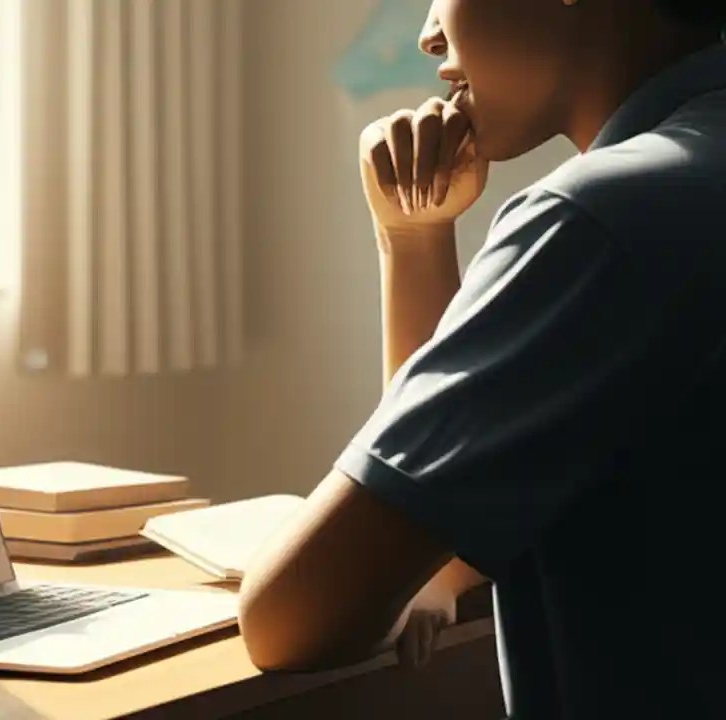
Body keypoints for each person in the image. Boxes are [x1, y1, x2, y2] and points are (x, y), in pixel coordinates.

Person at [237, 1, 726, 717]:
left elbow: (292, 619)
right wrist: (413, 239)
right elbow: (452, 545)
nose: (427, 31)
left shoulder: (602, 218)